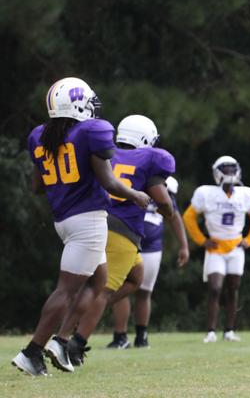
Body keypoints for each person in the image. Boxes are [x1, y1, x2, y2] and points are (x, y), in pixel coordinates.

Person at [13, 77, 150, 376]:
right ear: (77, 104)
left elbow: (37, 186)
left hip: (64, 220)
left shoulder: (42, 135)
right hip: (88, 220)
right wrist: (136, 194)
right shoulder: (91, 131)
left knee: (98, 281)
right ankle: (32, 351)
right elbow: (108, 180)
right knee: (66, 290)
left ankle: (61, 342)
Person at [60, 115, 182, 360]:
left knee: (135, 277)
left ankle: (82, 311)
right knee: (102, 291)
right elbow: (162, 199)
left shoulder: (107, 153)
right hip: (122, 229)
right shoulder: (150, 159)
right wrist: (167, 211)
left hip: (96, 222)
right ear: (147, 138)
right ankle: (74, 343)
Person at [184, 156, 250, 342]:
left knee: (233, 288)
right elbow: (188, 217)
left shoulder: (245, 194)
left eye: (232, 169)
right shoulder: (206, 193)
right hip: (216, 247)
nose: (229, 173)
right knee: (215, 288)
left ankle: (229, 331)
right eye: (225, 169)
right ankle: (211, 331)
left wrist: (249, 240)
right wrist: (201, 240)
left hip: (236, 246)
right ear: (217, 172)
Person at [108, 175, 189, 349]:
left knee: (144, 292)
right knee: (121, 287)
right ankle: (120, 335)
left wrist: (184, 245)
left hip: (151, 245)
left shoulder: (161, 185)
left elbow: (173, 215)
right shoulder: (130, 180)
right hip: (127, 239)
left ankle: (141, 335)